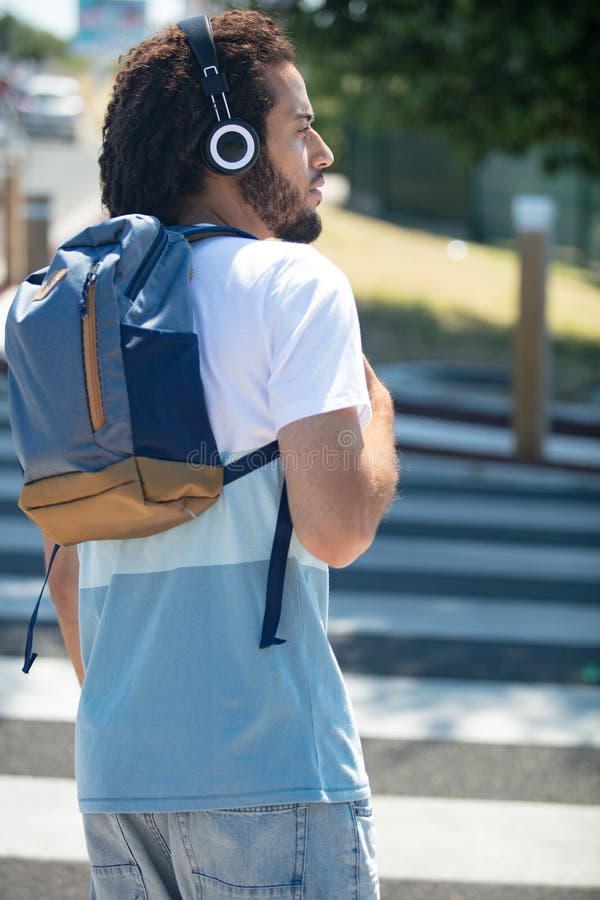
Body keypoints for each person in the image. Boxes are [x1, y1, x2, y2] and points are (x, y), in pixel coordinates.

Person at [44, 9, 398, 899]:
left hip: (119, 775)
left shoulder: (73, 305)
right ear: (231, 144)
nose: (321, 154)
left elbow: (64, 572)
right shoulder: (295, 286)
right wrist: (379, 419)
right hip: (270, 768)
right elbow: (338, 529)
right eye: (300, 126)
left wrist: (143, 724)